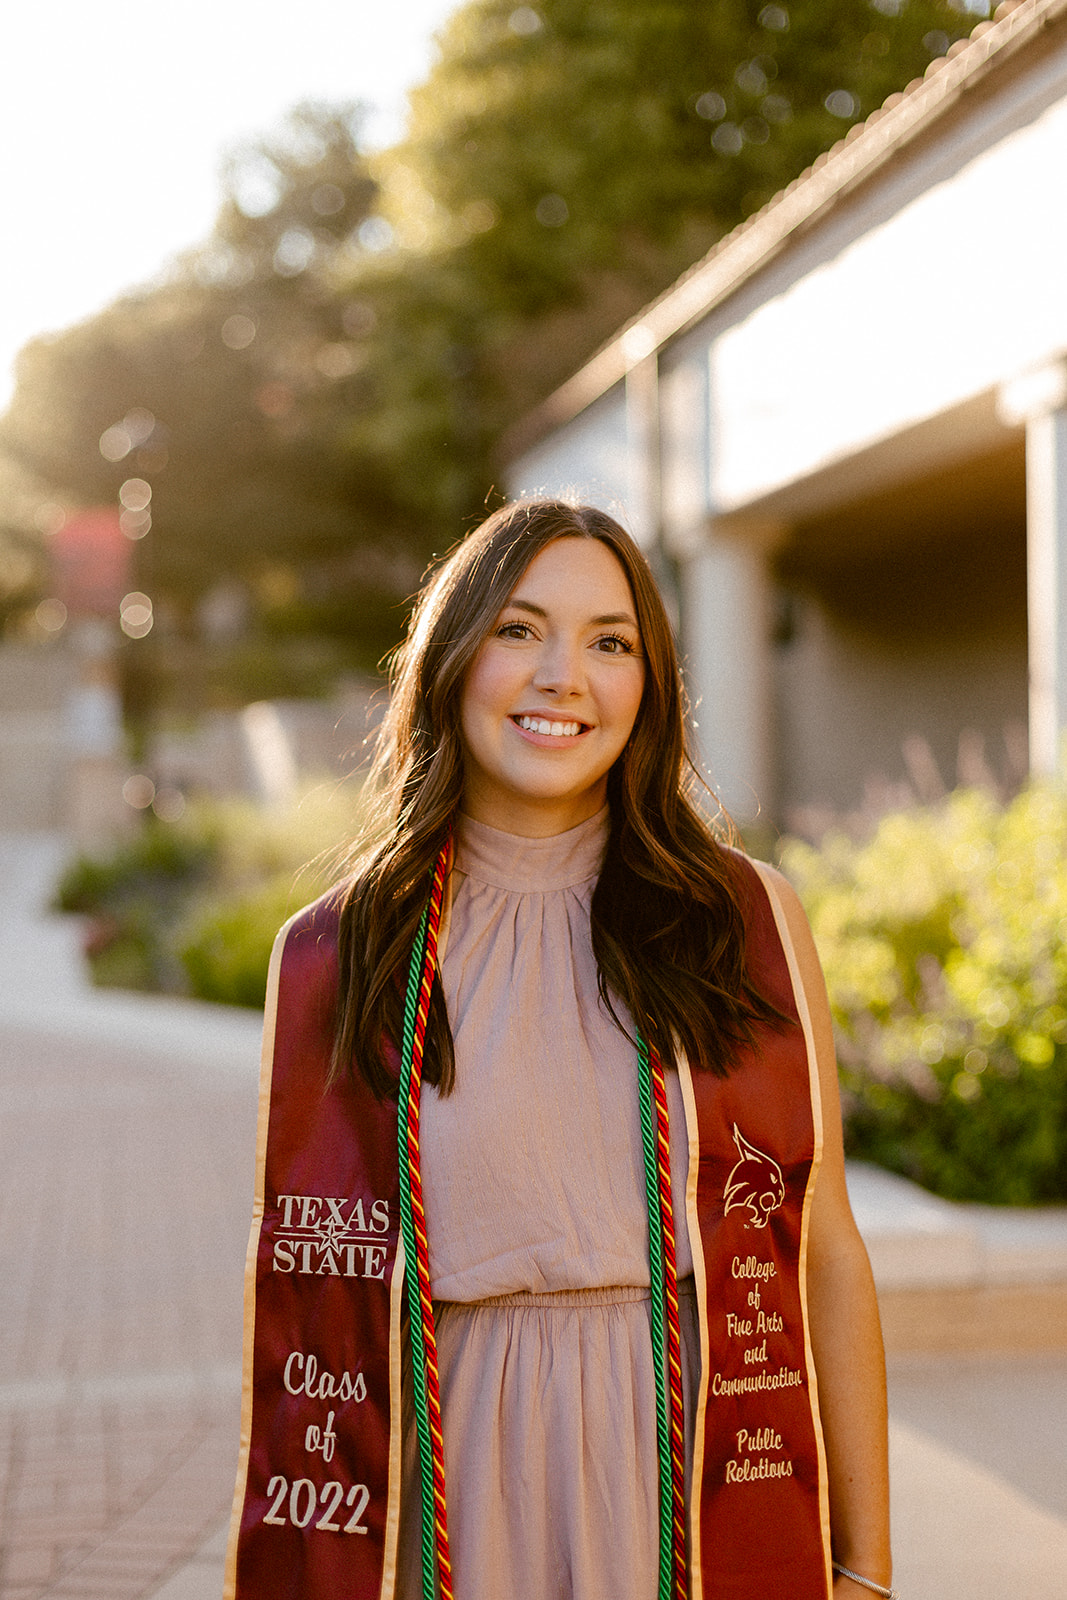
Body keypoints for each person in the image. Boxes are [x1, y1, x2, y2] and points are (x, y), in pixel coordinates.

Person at [225, 499, 895, 1600]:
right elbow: (312, 1301)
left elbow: (819, 1247)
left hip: (691, 1478)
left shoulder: (740, 922)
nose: (562, 677)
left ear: (649, 682)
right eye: (519, 629)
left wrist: (863, 1567)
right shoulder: (344, 952)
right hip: (451, 1483)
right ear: (452, 657)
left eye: (609, 642)